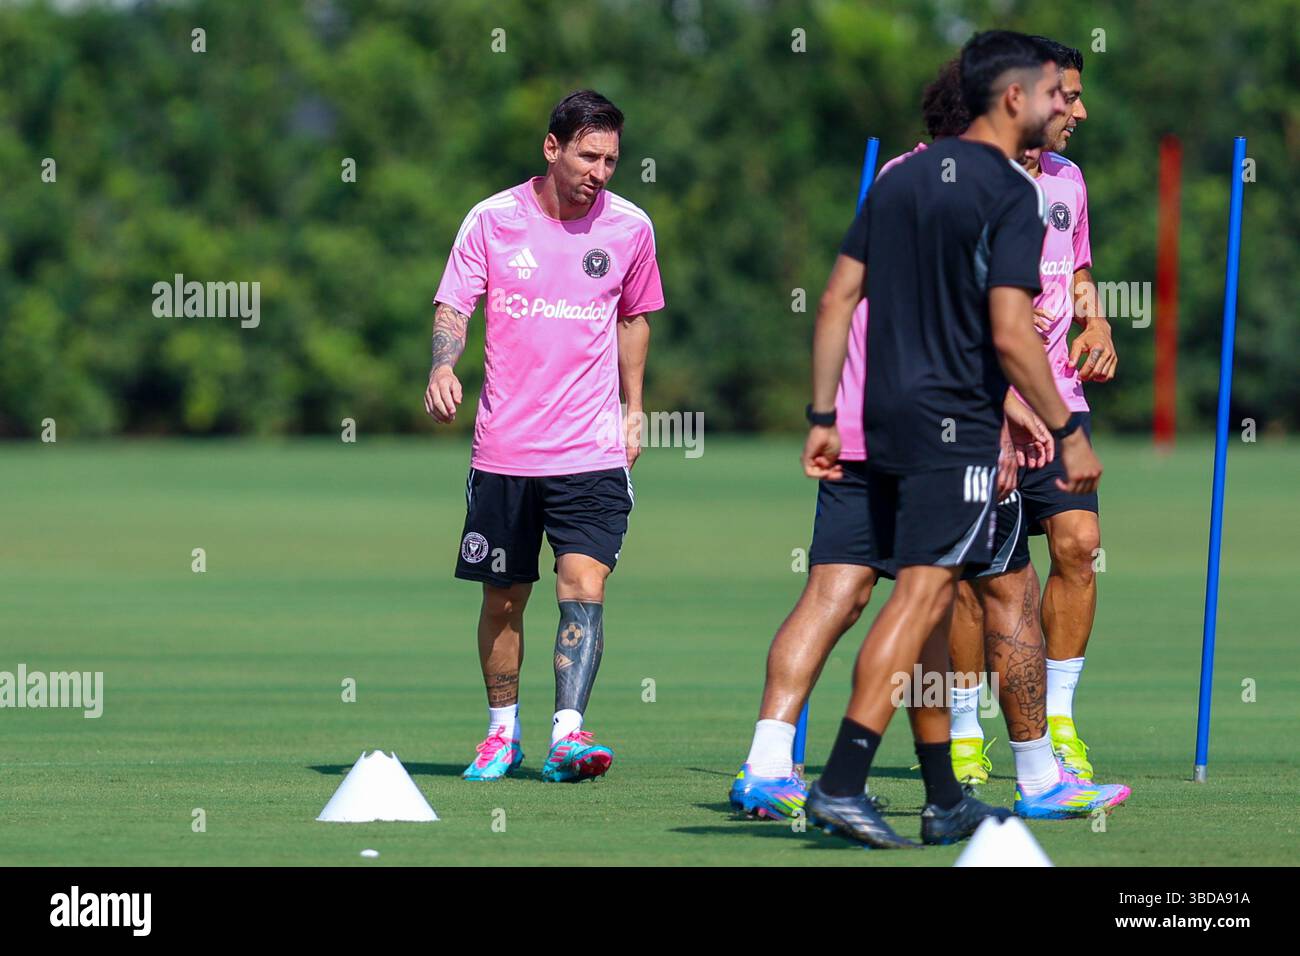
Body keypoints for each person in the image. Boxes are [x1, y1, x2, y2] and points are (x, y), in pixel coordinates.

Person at [801, 30, 1101, 848]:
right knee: (923, 599)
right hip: (956, 425)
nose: (1063, 109)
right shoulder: (1011, 192)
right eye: (1051, 94)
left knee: (932, 608)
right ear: (1013, 98)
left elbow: (835, 300)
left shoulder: (901, 177)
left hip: (881, 417)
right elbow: (1009, 332)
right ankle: (841, 782)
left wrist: (824, 416)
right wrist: (1065, 427)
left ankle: (943, 797)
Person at [425, 90, 664, 783]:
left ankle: (568, 733)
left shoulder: (630, 227)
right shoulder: (492, 220)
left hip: (590, 448)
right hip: (506, 450)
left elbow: (634, 317)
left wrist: (635, 408)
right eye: (588, 156)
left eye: (611, 160)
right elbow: (454, 302)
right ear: (552, 148)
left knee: (583, 583)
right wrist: (442, 365)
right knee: (503, 599)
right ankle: (502, 734)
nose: (600, 172)